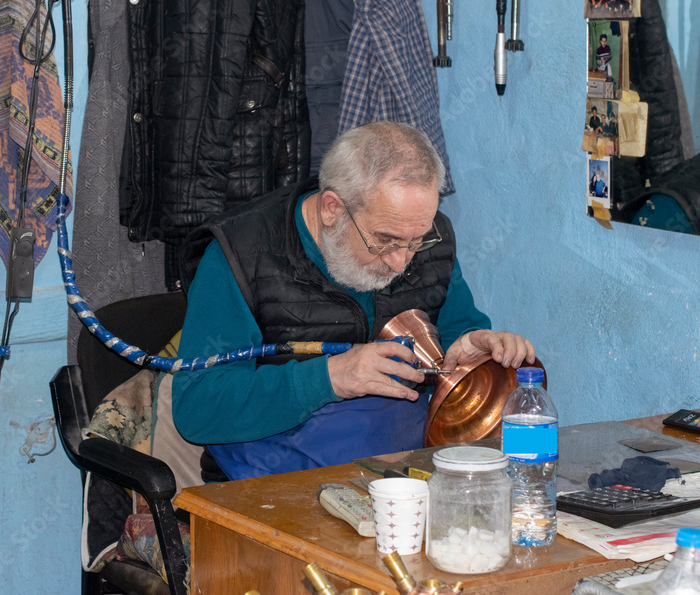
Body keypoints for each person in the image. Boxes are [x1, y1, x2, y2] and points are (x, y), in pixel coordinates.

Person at [173, 121, 535, 481]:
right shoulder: (240, 255)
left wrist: (473, 350)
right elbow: (197, 408)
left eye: (416, 241)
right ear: (332, 208)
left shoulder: (422, 235)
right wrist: (329, 378)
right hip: (272, 479)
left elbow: (457, 330)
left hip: (401, 469)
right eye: (386, 240)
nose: (402, 262)